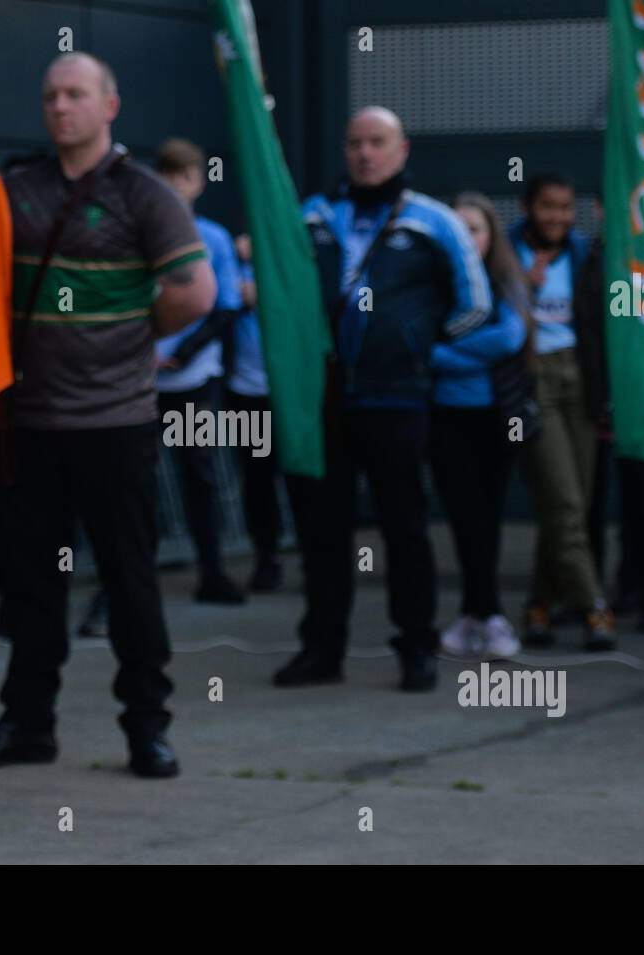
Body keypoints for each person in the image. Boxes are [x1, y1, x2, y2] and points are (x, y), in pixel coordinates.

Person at [0, 53, 216, 776]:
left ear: (108, 106)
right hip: (24, 423)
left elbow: (195, 290)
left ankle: (148, 727)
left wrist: (129, 336)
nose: (61, 107)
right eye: (51, 94)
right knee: (30, 587)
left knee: (130, 581)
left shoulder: (146, 192)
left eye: (76, 94)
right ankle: (29, 724)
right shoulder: (10, 181)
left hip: (115, 424)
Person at [277, 106, 491, 691]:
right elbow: (285, 290)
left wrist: (417, 347)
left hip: (397, 401)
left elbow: (476, 302)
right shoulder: (314, 216)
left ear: (402, 150)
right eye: (355, 143)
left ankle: (416, 649)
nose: (365, 153)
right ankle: (321, 650)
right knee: (323, 532)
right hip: (324, 402)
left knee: (404, 529)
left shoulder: (435, 220)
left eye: (377, 142)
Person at [511, 172, 616, 651]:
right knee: (566, 502)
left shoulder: (585, 254)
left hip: (581, 381)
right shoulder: (506, 252)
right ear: (527, 207)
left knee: (569, 507)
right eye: (548, 207)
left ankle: (538, 605)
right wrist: (523, 290)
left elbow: (603, 325)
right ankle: (595, 606)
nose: (557, 217)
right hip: (535, 382)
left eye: (565, 208)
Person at [431, 192, 533, 659]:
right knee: (462, 518)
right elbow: (416, 336)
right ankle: (478, 613)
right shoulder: (433, 281)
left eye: (474, 228)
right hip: (445, 416)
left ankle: (486, 614)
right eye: (457, 228)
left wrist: (443, 354)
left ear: (491, 234)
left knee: (485, 519)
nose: (467, 237)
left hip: (496, 416)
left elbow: (508, 337)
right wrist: (460, 349)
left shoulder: (504, 278)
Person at [152, 137, 246, 604]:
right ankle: (128, 580)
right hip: (141, 380)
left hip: (193, 380)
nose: (175, 185)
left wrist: (182, 354)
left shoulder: (214, 238)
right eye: (166, 175)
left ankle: (213, 571)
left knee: (200, 475)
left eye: (184, 176)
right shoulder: (138, 233)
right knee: (137, 482)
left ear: (199, 182)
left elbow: (224, 307)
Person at [226, 232, 285, 592]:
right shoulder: (231, 256)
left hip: (292, 394)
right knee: (257, 478)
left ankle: (316, 561)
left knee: (302, 479)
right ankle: (267, 557)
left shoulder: (293, 259)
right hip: (247, 392)